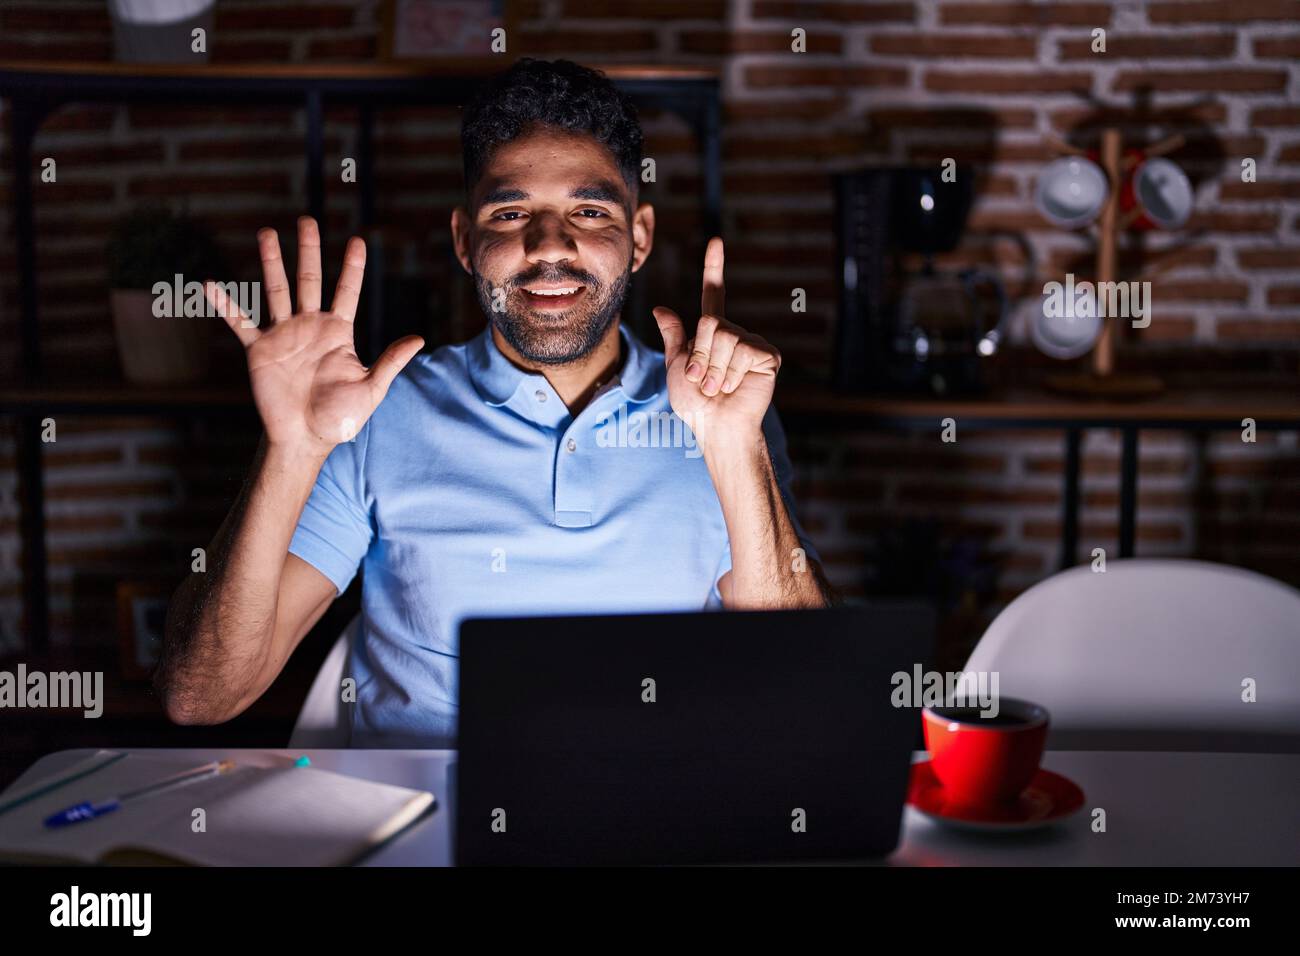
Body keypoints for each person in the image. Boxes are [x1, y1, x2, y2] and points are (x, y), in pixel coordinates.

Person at [158, 58, 831, 746]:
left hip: (650, 816)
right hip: (428, 829)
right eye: (510, 213)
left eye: (589, 211)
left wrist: (733, 446)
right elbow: (199, 696)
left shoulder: (726, 411)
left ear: (639, 238)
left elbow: (811, 687)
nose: (550, 247)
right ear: (464, 240)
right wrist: (292, 449)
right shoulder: (376, 413)